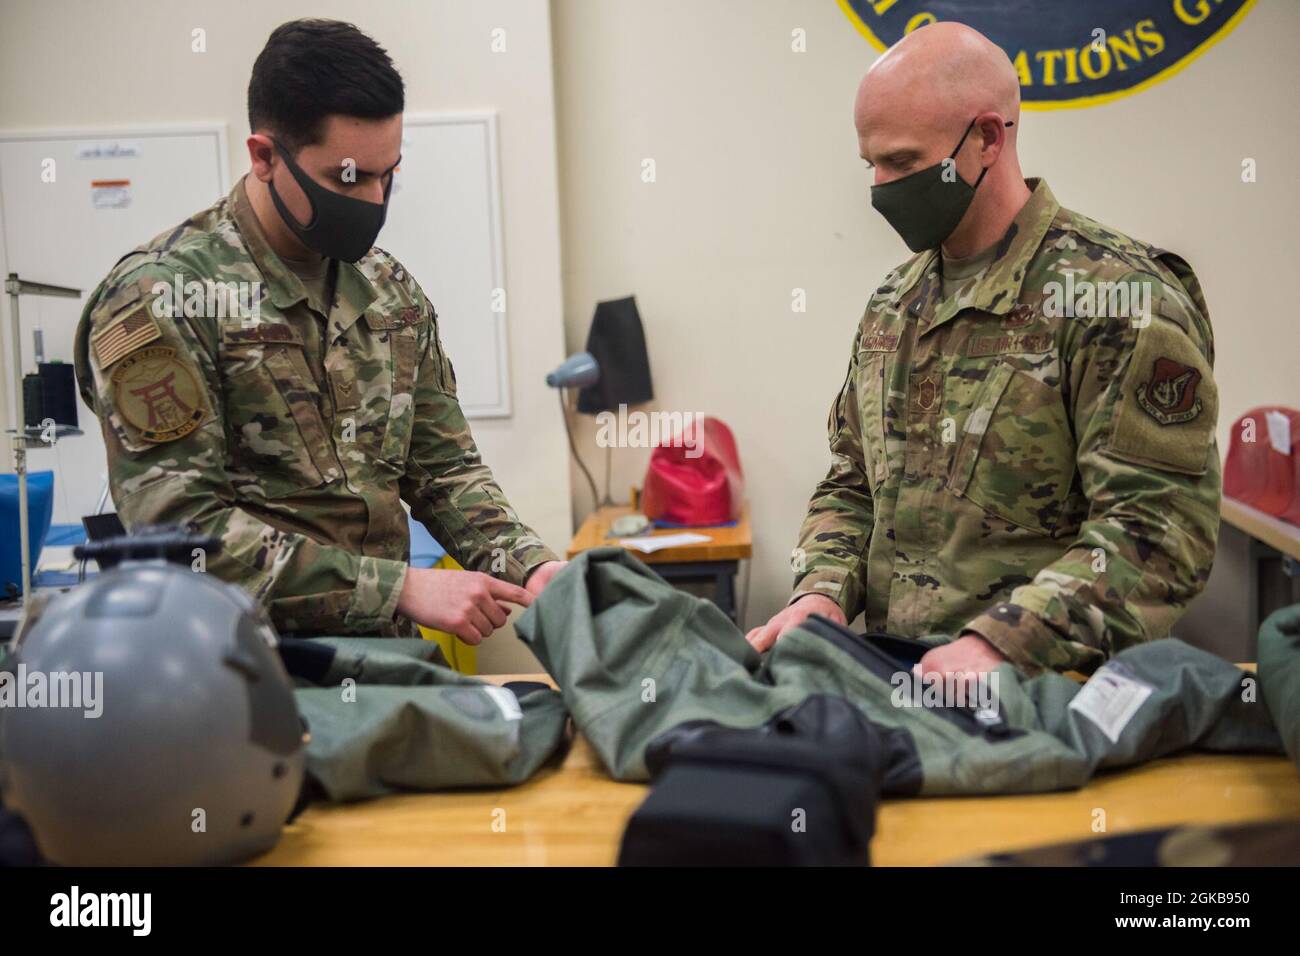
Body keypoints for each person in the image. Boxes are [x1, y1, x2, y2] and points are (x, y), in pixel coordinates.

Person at [746, 22, 1219, 680]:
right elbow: (853, 484)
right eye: (871, 164)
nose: (880, 186)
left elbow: (1160, 528)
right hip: (902, 690)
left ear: (988, 138)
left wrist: (1004, 642)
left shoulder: (1114, 298)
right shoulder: (895, 306)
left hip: (1047, 700)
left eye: (905, 163)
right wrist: (821, 591)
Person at [74, 19, 565, 643]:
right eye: (348, 179)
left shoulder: (387, 288)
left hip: (388, 666)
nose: (374, 200)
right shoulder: (162, 298)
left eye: (390, 174)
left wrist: (533, 565)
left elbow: (445, 472)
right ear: (264, 156)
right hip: (247, 683)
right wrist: (401, 588)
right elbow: (181, 532)